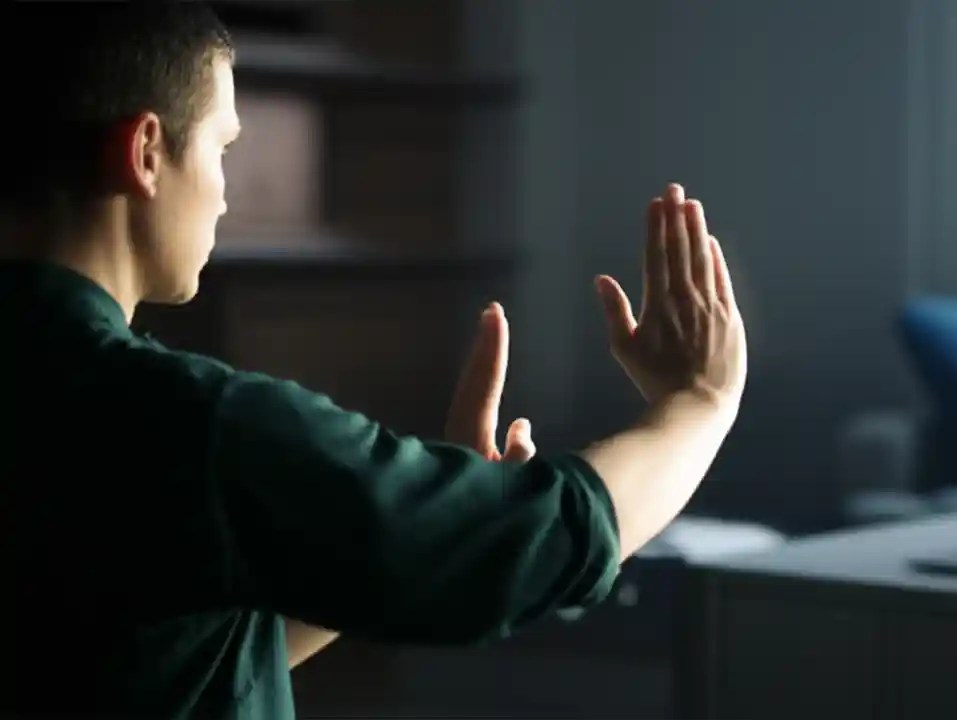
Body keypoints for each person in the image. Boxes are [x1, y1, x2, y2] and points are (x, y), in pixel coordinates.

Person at [0, 3, 747, 718]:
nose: (227, 193)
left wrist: (398, 519)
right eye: (224, 148)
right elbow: (523, 543)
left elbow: (163, 660)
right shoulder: (189, 424)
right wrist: (697, 407)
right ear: (146, 153)